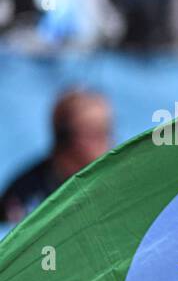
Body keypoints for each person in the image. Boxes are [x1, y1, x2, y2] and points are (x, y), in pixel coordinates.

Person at [2, 88, 112, 223]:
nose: (109, 141)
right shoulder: (23, 198)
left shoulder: (117, 183)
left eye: (108, 131)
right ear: (66, 139)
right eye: (97, 133)